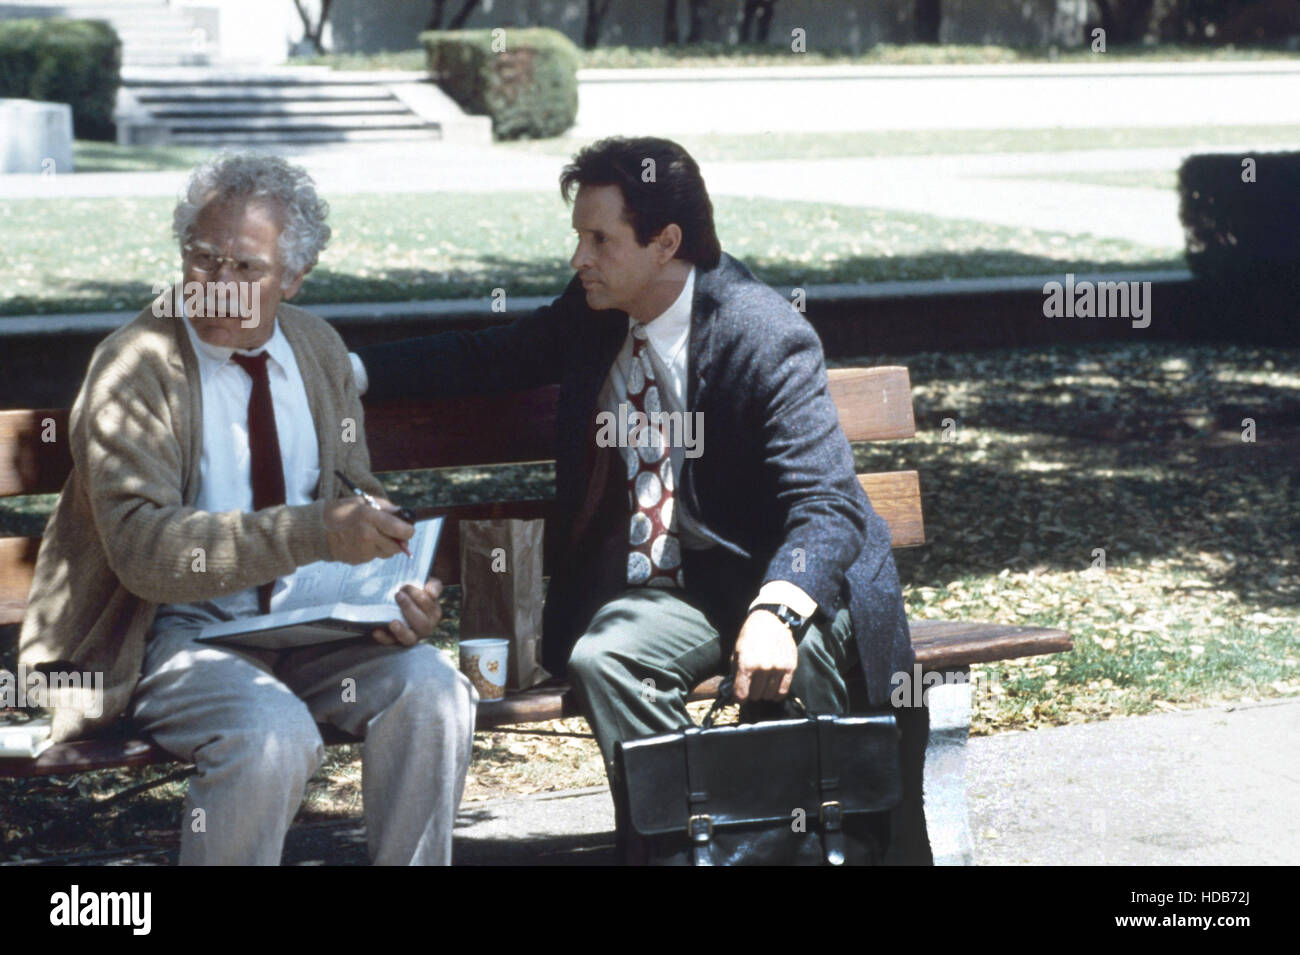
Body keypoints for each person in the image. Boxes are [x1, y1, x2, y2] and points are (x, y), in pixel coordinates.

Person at [356, 136, 930, 863]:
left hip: (788, 576)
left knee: (802, 659)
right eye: (578, 237)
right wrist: (342, 367)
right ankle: (683, 848)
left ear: (665, 242)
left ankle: (819, 846)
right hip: (680, 591)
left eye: (599, 239)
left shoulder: (764, 334)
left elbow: (827, 505)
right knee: (606, 658)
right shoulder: (598, 309)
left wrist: (777, 612)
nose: (579, 259)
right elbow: (490, 354)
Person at [18, 154, 476, 866]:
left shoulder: (316, 348)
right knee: (269, 731)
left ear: (293, 279)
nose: (220, 288)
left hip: (314, 630)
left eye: (247, 269)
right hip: (176, 637)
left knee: (435, 692)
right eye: (203, 260)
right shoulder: (135, 365)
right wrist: (316, 531)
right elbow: (143, 550)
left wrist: (399, 587)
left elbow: (356, 485)